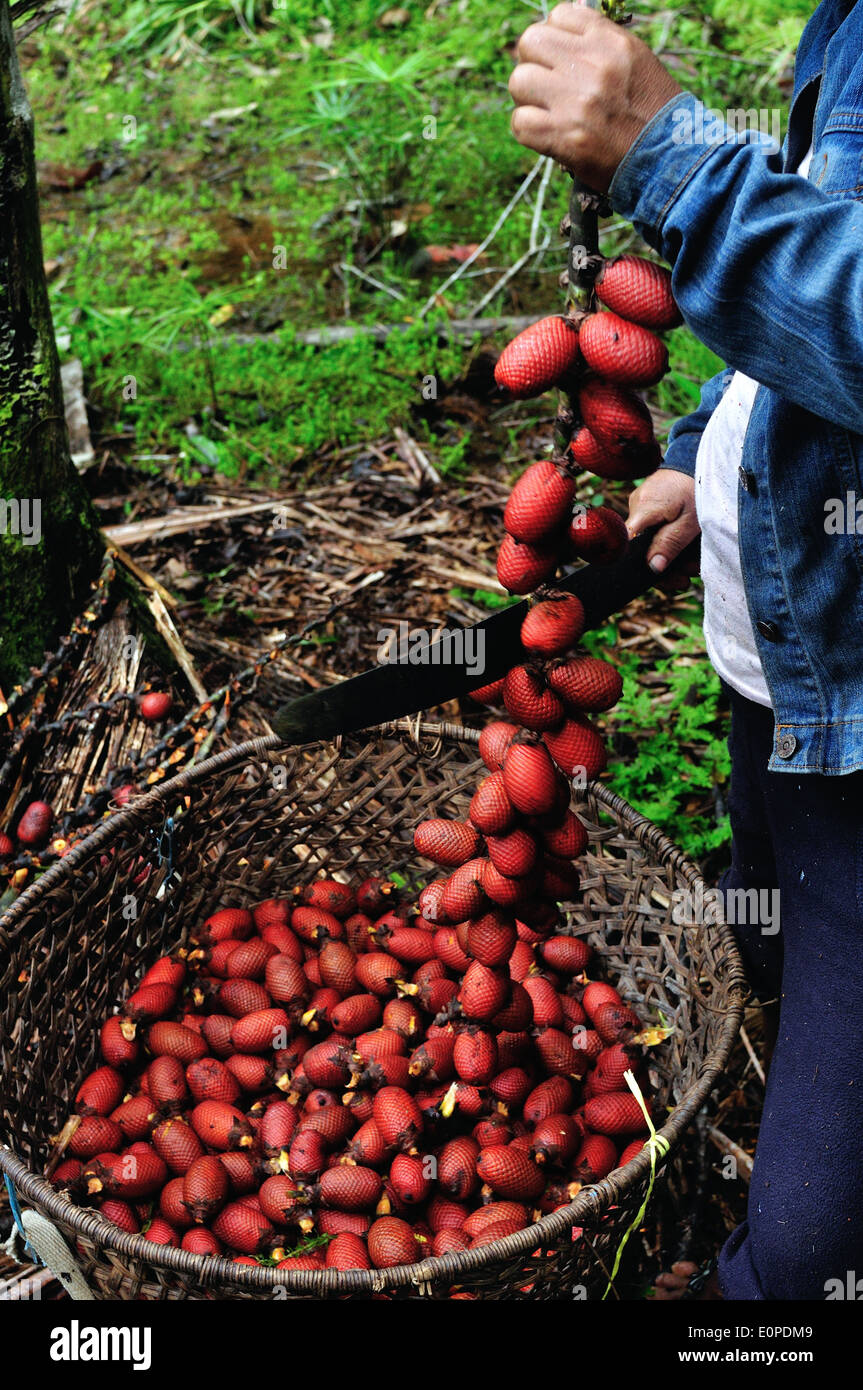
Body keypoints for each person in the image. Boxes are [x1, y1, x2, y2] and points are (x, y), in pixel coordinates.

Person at [508, 0, 863, 1302]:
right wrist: (707, 445)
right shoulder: (842, 26)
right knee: (761, 863)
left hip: (861, 718)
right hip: (785, 645)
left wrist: (666, 158)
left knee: (813, 1252)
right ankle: (766, 973)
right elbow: (826, 258)